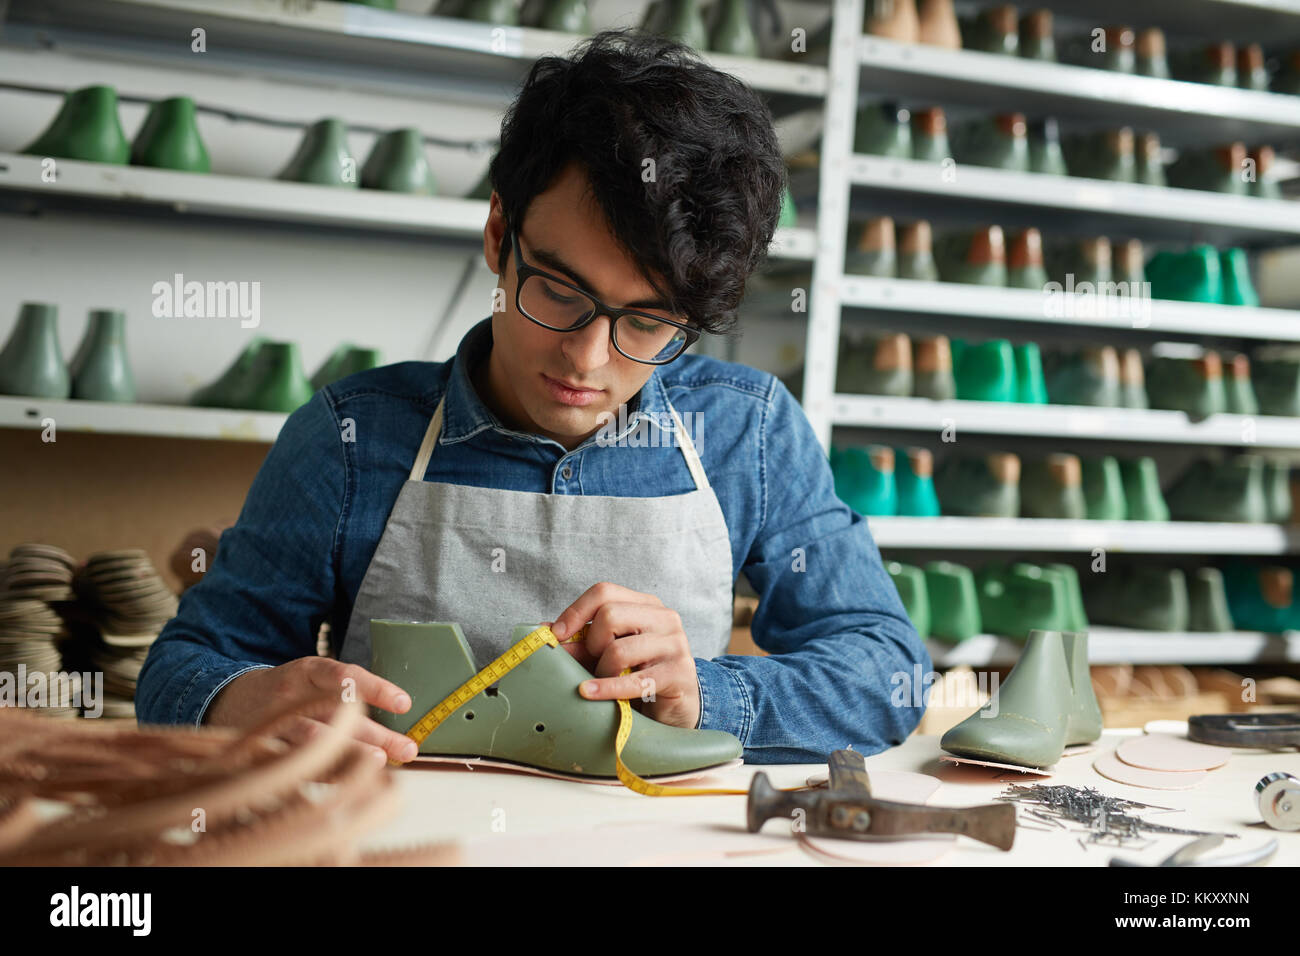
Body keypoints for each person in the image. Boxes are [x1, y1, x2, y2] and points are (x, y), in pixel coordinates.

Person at [136, 28, 929, 764]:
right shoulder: (348, 440)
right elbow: (180, 669)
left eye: (648, 323)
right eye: (558, 290)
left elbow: (888, 673)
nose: (585, 358)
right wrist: (236, 700)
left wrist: (709, 696)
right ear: (497, 234)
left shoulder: (745, 432)